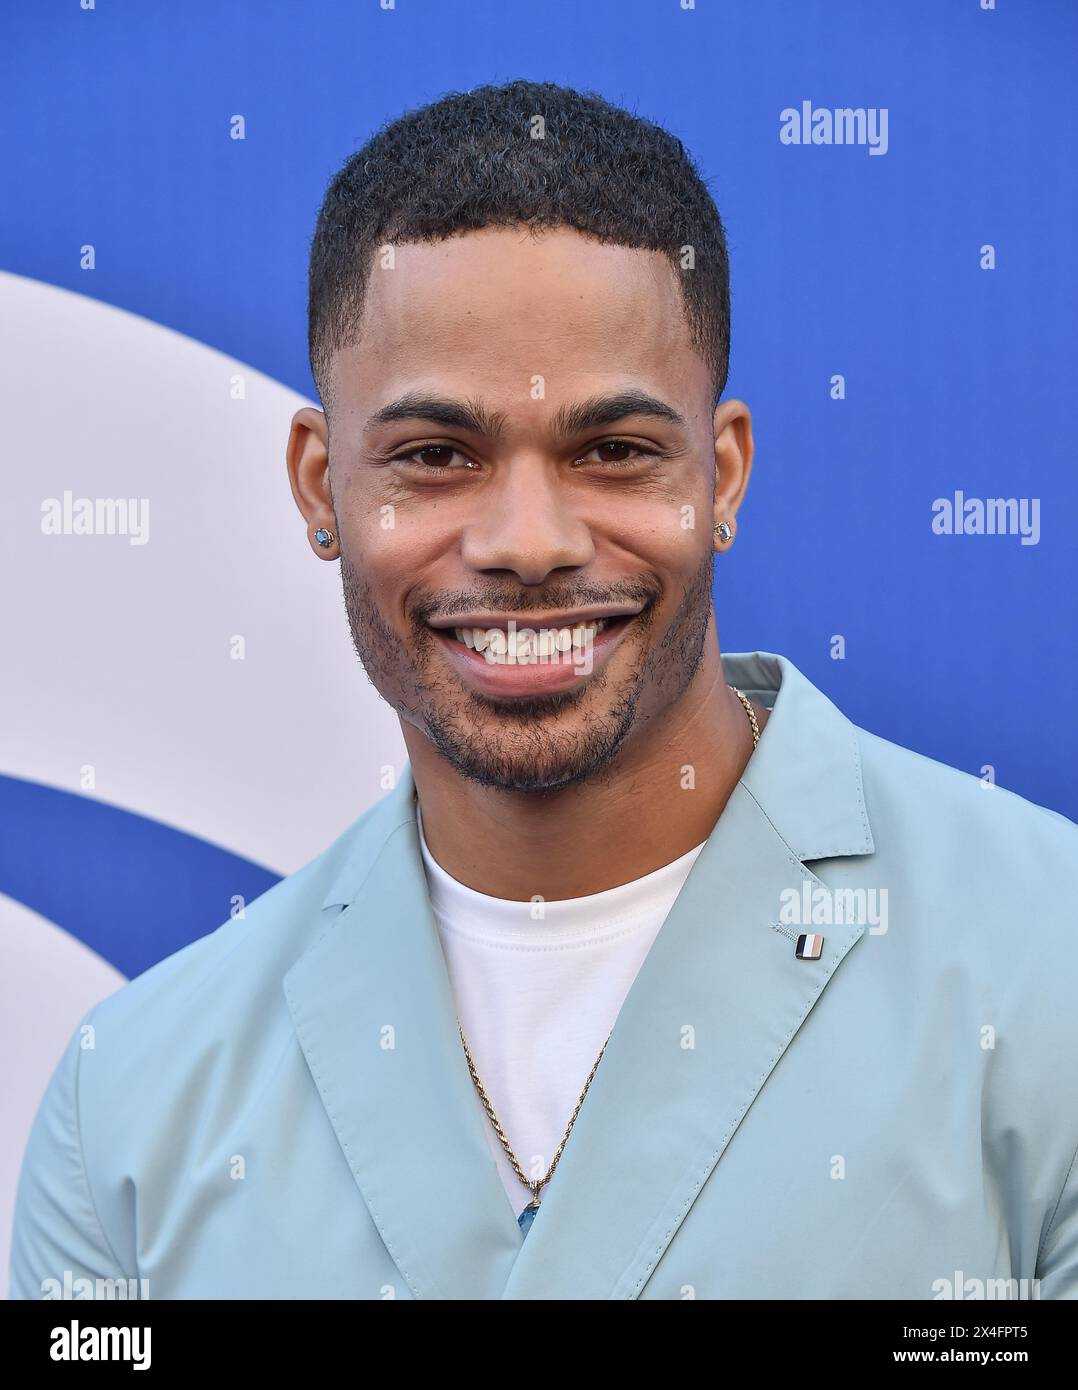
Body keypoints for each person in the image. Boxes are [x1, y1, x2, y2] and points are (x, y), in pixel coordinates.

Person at [11, 79, 1078, 1301]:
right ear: (320, 488)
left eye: (612, 451)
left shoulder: (1049, 968)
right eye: (435, 457)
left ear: (720, 474)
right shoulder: (133, 1104)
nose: (528, 539)